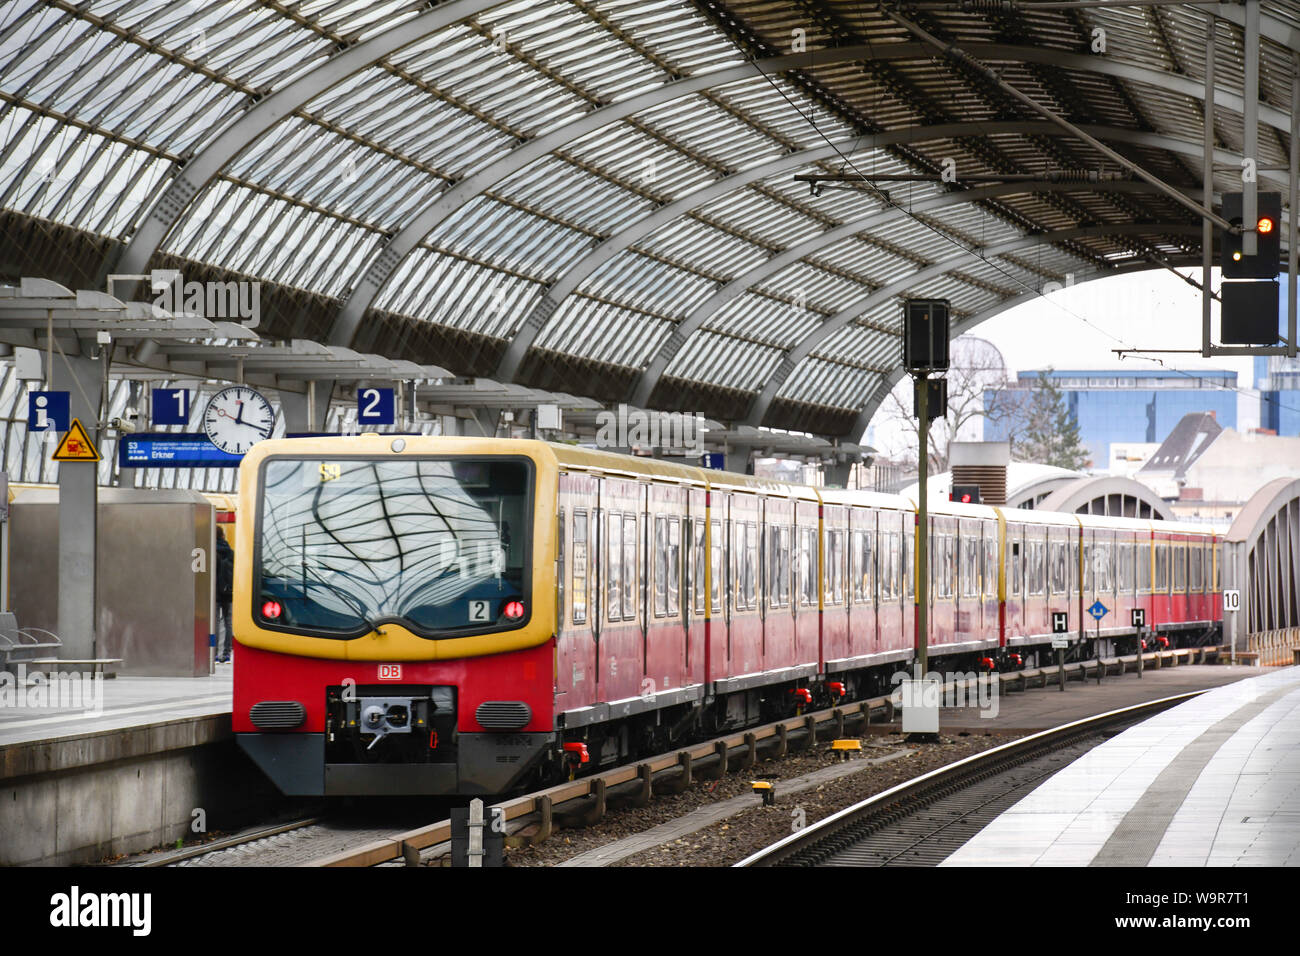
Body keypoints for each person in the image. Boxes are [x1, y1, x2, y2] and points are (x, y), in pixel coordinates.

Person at [216, 530, 234, 663]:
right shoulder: (230, 552)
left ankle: (215, 653)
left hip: (214, 593)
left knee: (215, 623)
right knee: (228, 622)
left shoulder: (210, 551)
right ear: (223, 536)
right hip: (228, 593)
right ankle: (227, 654)